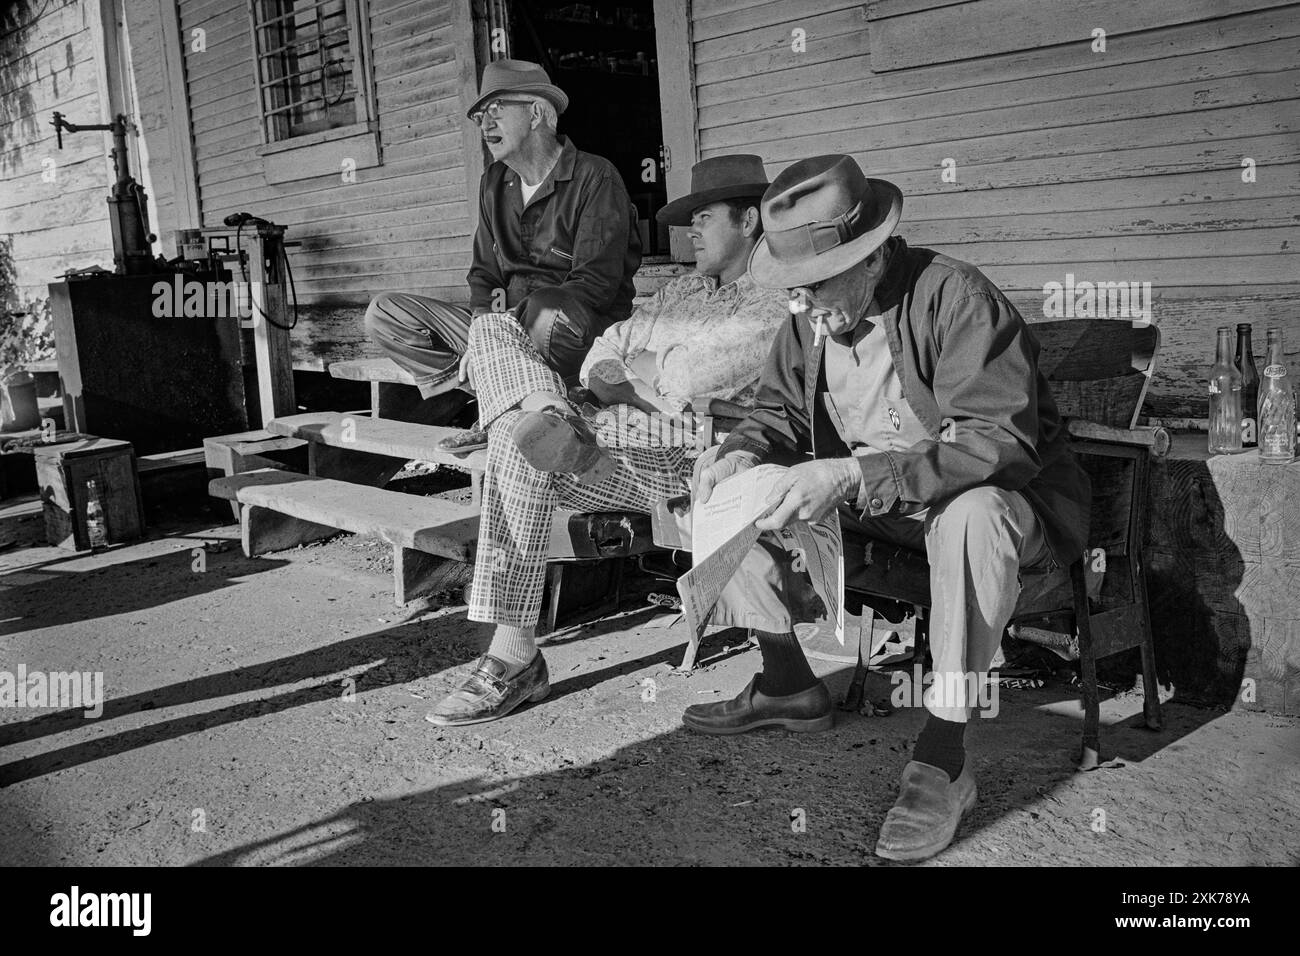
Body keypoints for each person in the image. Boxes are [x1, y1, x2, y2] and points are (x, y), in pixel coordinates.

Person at [685, 155, 1091, 862]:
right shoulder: (810, 315)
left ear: (871, 260)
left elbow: (997, 443)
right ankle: (787, 686)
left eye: (815, 284)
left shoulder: (955, 296)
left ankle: (943, 759)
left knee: (973, 516)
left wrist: (849, 474)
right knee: (737, 494)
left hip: (996, 508)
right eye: (793, 289)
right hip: (878, 501)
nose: (802, 304)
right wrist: (743, 453)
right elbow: (776, 412)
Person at [426, 155, 790, 727]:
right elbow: (607, 348)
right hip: (603, 439)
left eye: (705, 216)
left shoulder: (772, 299)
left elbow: (691, 377)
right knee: (493, 329)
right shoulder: (682, 292)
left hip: (683, 454)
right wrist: (634, 375)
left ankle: (512, 658)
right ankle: (545, 412)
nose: (688, 229)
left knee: (515, 446)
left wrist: (635, 374)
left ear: (748, 222)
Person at [363, 59, 640, 429]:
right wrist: (483, 332)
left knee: (549, 311)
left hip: (571, 336)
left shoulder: (595, 177)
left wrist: (499, 334)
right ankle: (515, 394)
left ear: (537, 113)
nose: (485, 125)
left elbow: (595, 287)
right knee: (385, 313)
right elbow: (484, 275)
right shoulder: (494, 182)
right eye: (479, 116)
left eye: (496, 110)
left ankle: (513, 393)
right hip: (504, 332)